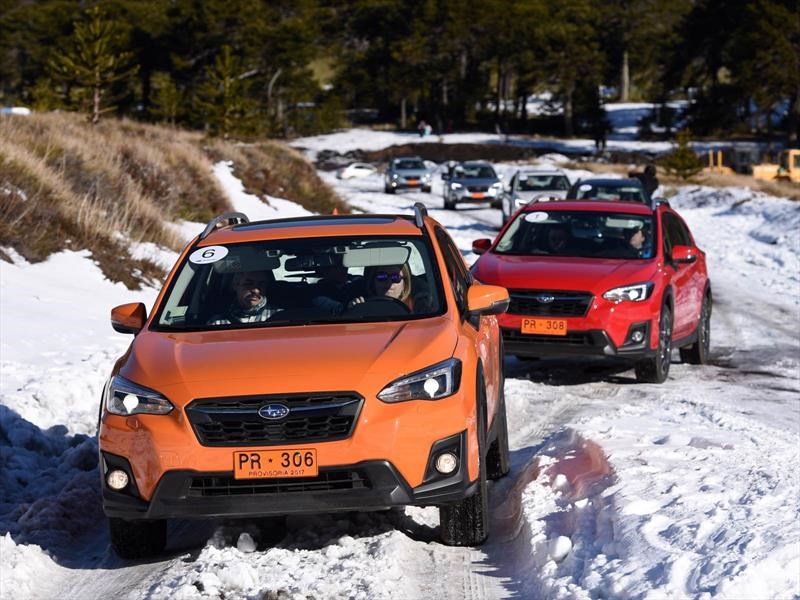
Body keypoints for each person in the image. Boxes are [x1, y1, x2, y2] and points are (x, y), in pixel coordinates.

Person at [208, 270, 279, 325]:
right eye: (248, 283)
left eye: (261, 284)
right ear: (235, 285)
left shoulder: (279, 317)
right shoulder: (217, 322)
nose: (256, 290)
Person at [347, 264, 413, 310]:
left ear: (405, 283)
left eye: (395, 277)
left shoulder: (418, 310)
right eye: (382, 276)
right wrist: (353, 312)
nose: (388, 283)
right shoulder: (361, 306)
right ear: (373, 282)